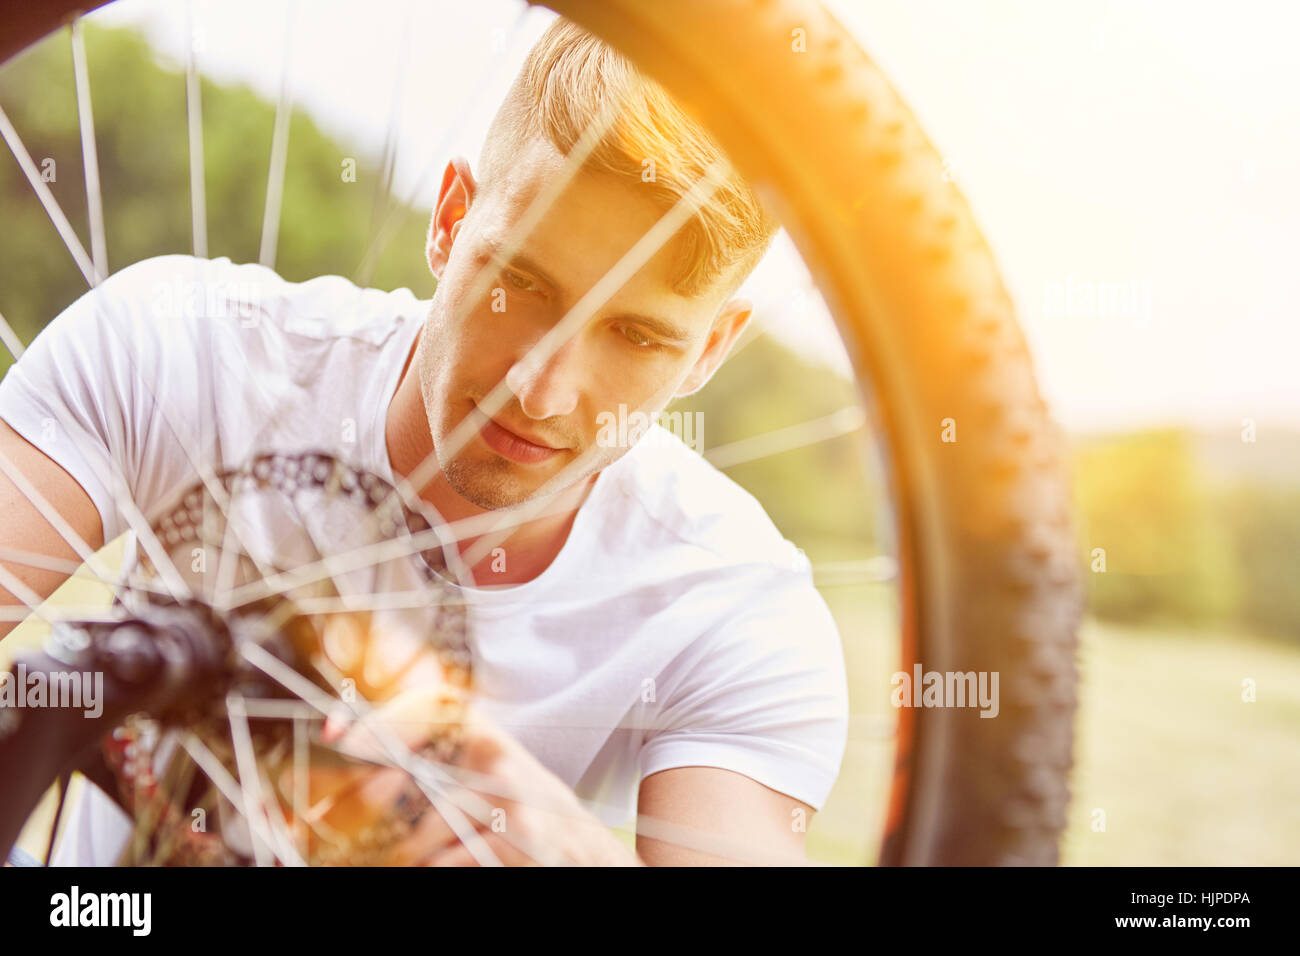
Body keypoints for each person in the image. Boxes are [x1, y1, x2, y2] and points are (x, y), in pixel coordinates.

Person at [0, 16, 848, 866]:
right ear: (450, 218)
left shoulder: (737, 612)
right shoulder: (184, 350)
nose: (540, 390)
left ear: (709, 349)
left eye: (636, 336)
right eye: (520, 280)